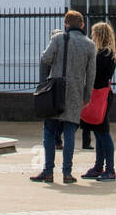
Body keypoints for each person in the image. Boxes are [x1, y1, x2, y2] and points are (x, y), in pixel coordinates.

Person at [31, 10, 97, 184]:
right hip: (75, 92)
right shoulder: (89, 45)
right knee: (69, 133)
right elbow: (91, 75)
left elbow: (45, 58)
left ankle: (48, 171)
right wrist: (87, 96)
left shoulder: (58, 39)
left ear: (66, 24)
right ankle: (67, 173)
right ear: (82, 25)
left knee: (49, 131)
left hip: (55, 91)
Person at [80, 22, 116, 182]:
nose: (92, 36)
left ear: (100, 35)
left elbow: (94, 75)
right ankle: (99, 166)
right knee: (99, 132)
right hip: (103, 95)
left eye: (94, 33)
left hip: (99, 96)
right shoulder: (108, 54)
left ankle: (109, 169)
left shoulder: (103, 55)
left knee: (103, 133)